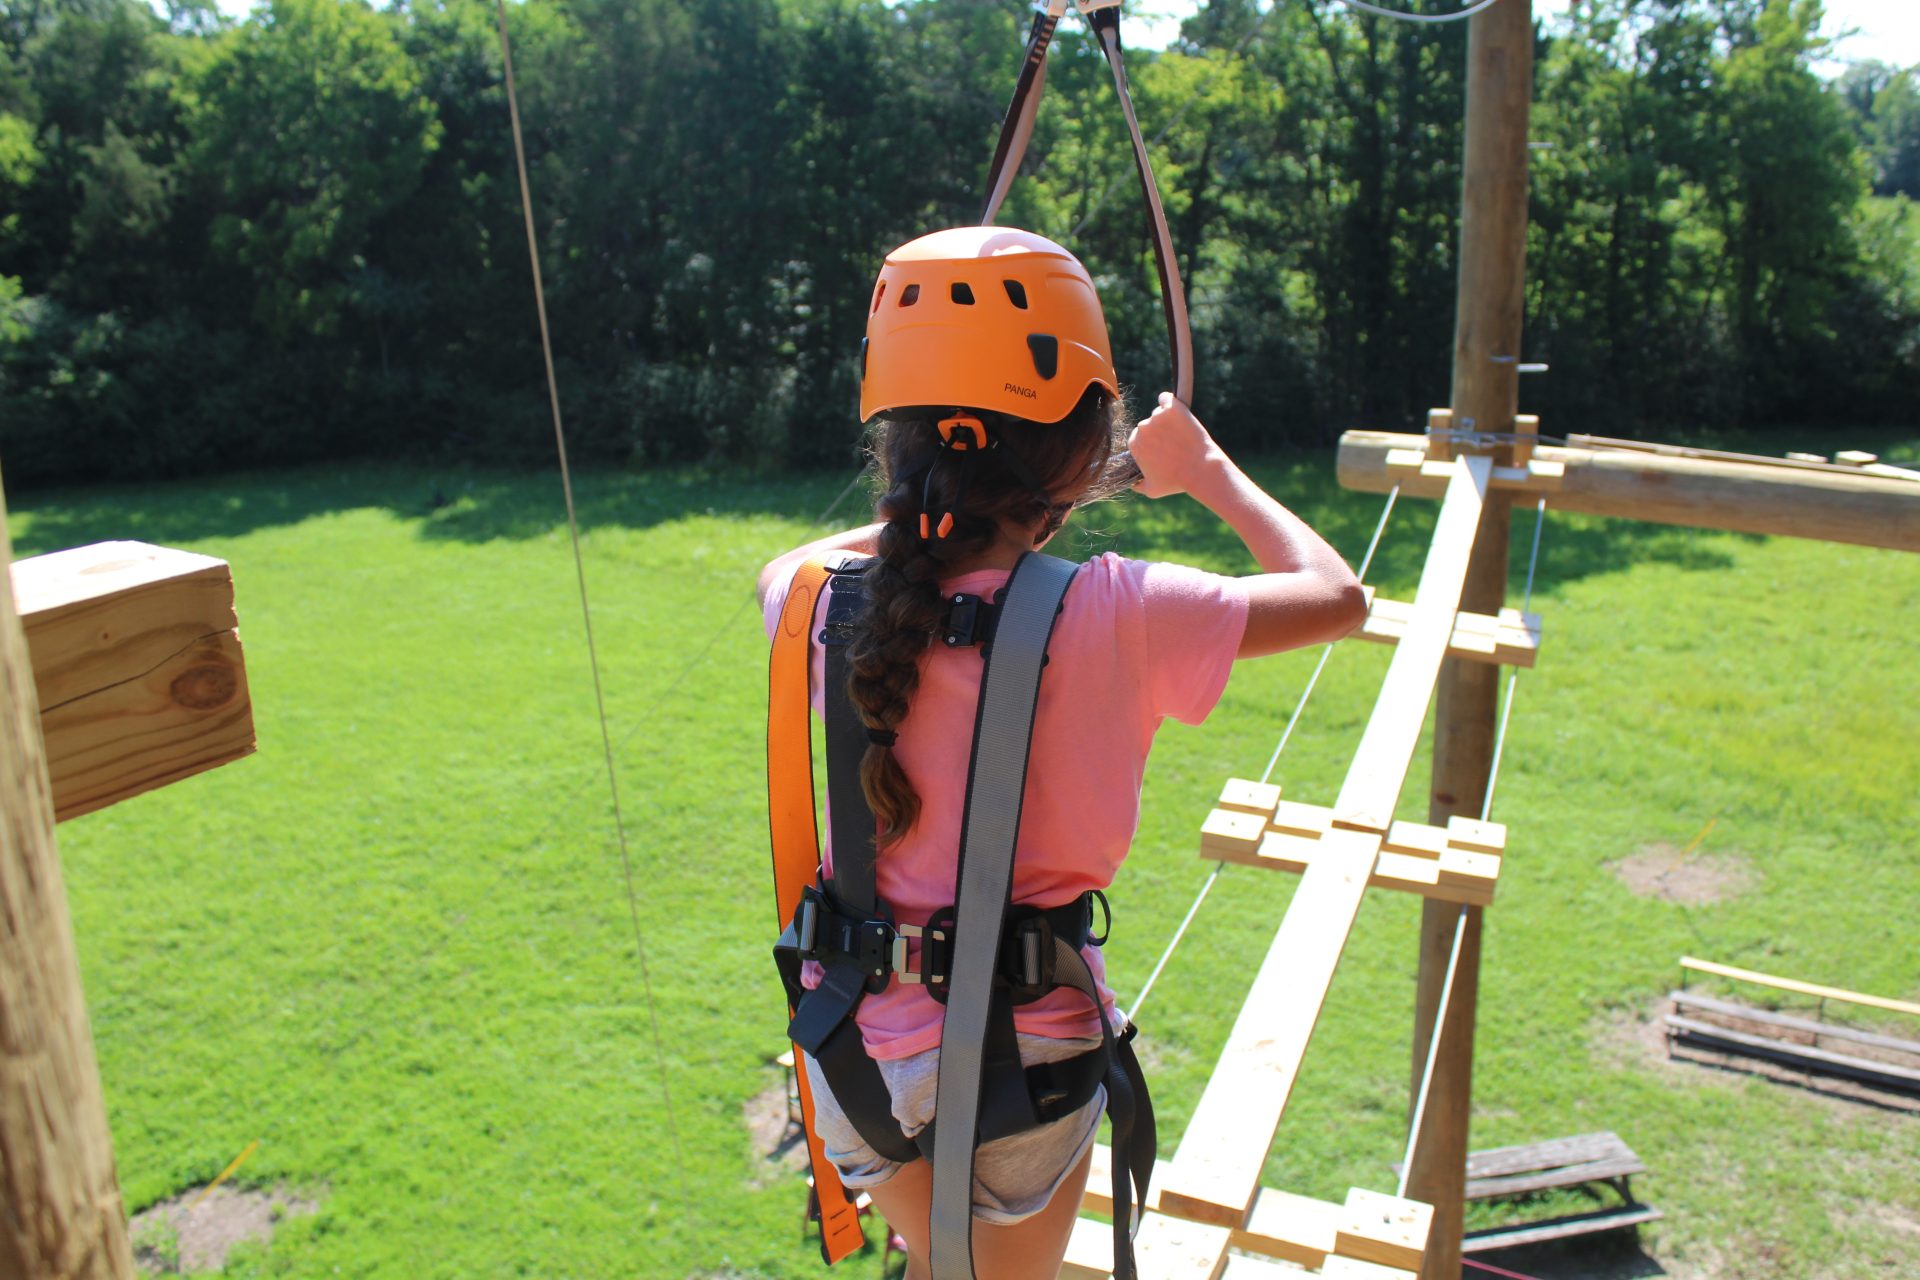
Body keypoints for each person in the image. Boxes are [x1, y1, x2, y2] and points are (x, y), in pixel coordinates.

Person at [757, 227, 1366, 1280]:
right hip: (1028, 1064)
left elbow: (850, 551)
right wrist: (1208, 471)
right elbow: (1337, 593)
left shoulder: (804, 594)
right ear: (1083, 452)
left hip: (850, 1046)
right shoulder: (1121, 612)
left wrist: (930, 502)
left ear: (892, 442)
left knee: (943, 1258)